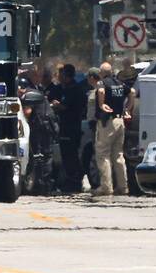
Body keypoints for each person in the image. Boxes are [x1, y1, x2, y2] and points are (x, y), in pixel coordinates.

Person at [91, 62, 129, 198]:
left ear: (101, 73)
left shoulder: (102, 83)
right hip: (120, 122)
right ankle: (123, 186)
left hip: (107, 122)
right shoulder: (119, 83)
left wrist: (102, 105)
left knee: (103, 154)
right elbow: (132, 92)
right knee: (118, 155)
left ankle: (106, 187)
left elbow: (100, 91)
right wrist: (128, 109)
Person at [49, 64, 86, 193]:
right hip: (65, 127)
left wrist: (57, 105)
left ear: (66, 75)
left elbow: (67, 106)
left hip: (71, 127)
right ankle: (70, 181)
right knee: (66, 155)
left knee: (71, 156)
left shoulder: (74, 89)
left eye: (62, 74)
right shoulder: (63, 88)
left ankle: (74, 182)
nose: (60, 76)